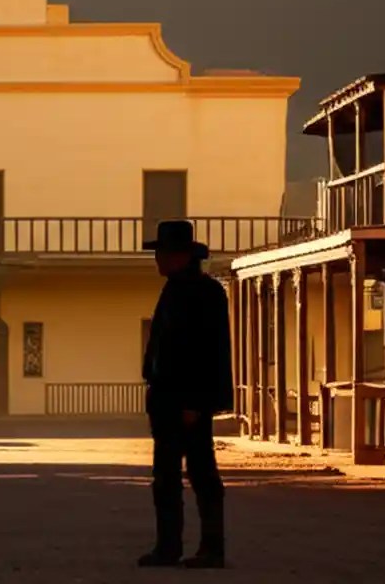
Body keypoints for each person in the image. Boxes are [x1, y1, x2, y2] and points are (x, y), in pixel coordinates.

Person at [137, 219, 233, 569]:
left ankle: (210, 547)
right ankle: (169, 546)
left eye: (162, 253)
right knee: (166, 477)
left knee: (201, 473)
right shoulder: (175, 290)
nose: (157, 260)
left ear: (180, 256)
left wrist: (195, 401)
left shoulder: (204, 293)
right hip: (167, 398)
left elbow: (207, 352)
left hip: (187, 400)